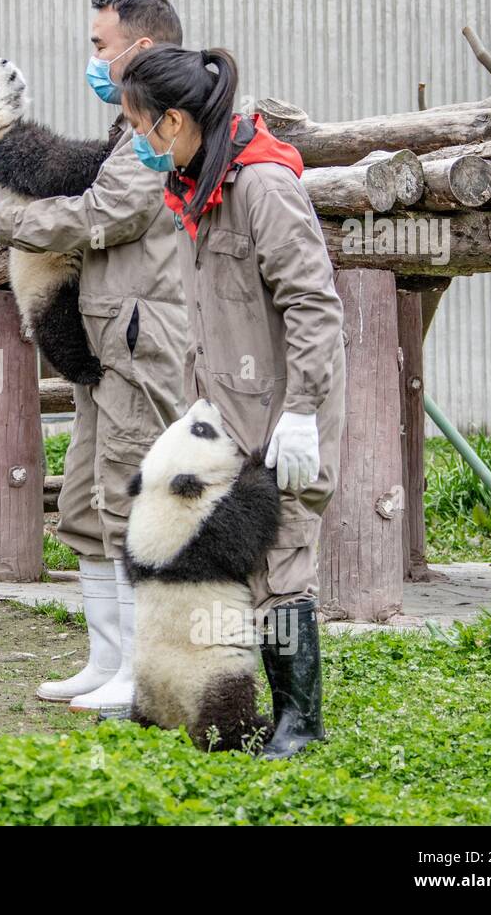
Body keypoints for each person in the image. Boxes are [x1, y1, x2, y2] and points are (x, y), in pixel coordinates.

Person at [0, 0, 189, 715]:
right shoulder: (126, 123)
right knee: (84, 502)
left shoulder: (160, 127)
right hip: (101, 337)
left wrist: (6, 223)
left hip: (142, 340)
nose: (92, 58)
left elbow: (109, 212)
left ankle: (146, 672)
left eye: (99, 46)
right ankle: (107, 659)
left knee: (131, 501)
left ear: (140, 50)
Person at [118, 44, 346, 758]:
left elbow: (314, 306)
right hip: (223, 415)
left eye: (139, 125)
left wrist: (304, 410)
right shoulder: (199, 180)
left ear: (176, 120)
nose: (135, 139)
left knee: (281, 562)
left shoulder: (263, 187)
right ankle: (194, 700)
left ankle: (299, 722)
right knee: (227, 559)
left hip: (282, 416)